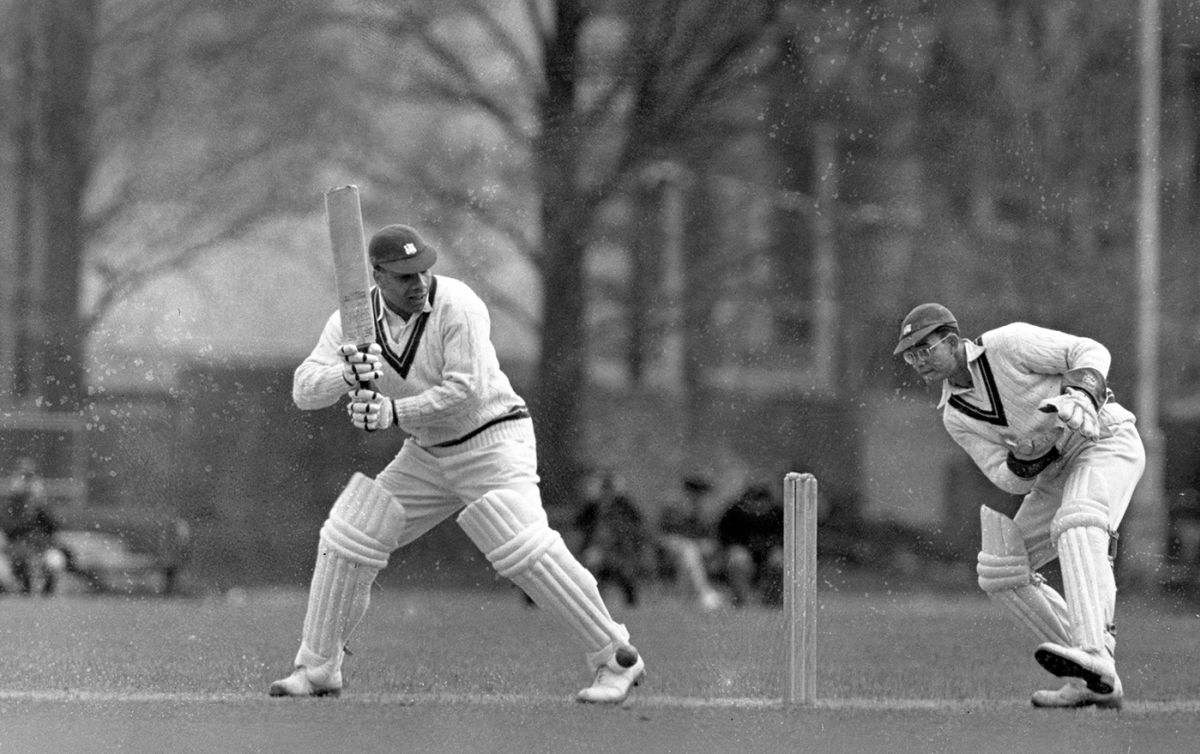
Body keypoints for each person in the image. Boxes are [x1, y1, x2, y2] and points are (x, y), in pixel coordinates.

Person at [268, 223, 644, 704]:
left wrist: (392, 411)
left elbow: (464, 392)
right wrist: (346, 374)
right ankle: (317, 668)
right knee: (348, 535)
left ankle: (615, 658)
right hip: (428, 453)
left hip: (493, 440)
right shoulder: (352, 321)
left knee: (521, 546)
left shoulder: (458, 304)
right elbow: (304, 389)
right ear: (377, 275)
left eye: (424, 269)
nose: (419, 282)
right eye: (404, 275)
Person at [893, 303, 1144, 709]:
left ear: (954, 341)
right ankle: (1094, 678)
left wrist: (1082, 393)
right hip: (1053, 474)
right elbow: (1004, 477)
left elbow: (1091, 350)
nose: (918, 361)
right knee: (1000, 569)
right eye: (911, 355)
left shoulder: (1006, 345)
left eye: (925, 349)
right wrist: (1028, 458)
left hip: (1104, 440)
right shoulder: (955, 416)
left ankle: (1096, 652)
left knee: (1077, 523)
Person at [572, 467, 651, 607]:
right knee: (591, 567)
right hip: (596, 552)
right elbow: (578, 528)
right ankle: (592, 604)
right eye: (604, 488)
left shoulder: (625, 507)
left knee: (626, 573)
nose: (607, 492)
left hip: (619, 552)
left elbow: (638, 528)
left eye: (610, 488)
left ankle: (632, 606)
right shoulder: (592, 508)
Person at [657, 475, 724, 610]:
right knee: (689, 550)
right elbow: (662, 535)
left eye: (701, 492)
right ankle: (704, 593)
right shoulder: (674, 507)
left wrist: (705, 545)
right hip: (672, 550)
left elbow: (712, 540)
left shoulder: (706, 512)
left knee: (689, 556)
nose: (699, 495)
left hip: (696, 554)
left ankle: (684, 603)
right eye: (695, 491)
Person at [715, 483, 784, 607]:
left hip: (768, 556)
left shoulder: (778, 515)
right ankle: (743, 600)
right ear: (746, 501)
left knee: (779, 561)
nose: (758, 506)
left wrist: (775, 550)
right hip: (742, 557)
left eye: (762, 502)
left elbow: (784, 542)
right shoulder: (733, 514)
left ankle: (772, 600)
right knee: (738, 560)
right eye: (754, 501)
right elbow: (725, 542)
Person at [0, 457, 62, 595]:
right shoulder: (10, 504)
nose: (26, 483)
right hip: (16, 551)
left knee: (55, 560)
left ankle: (47, 595)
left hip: (40, 548)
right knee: (14, 563)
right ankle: (22, 589)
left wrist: (39, 503)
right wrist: (27, 511)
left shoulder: (41, 503)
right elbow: (9, 527)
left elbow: (54, 526)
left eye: (30, 478)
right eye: (23, 477)